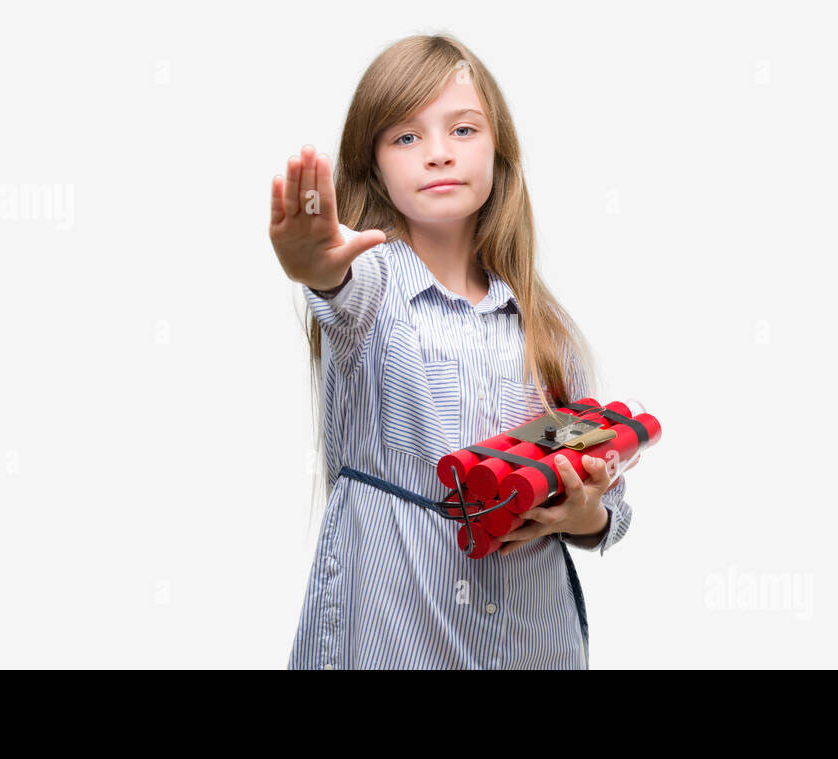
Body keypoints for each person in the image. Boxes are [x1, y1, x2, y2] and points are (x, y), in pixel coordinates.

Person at [270, 34, 632, 669]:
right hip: (391, 627)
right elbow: (337, 287)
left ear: (500, 152)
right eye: (405, 137)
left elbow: (607, 501)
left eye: (463, 130)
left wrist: (586, 515)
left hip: (531, 639)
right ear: (373, 163)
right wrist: (312, 267)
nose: (438, 154)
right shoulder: (372, 291)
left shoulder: (544, 330)